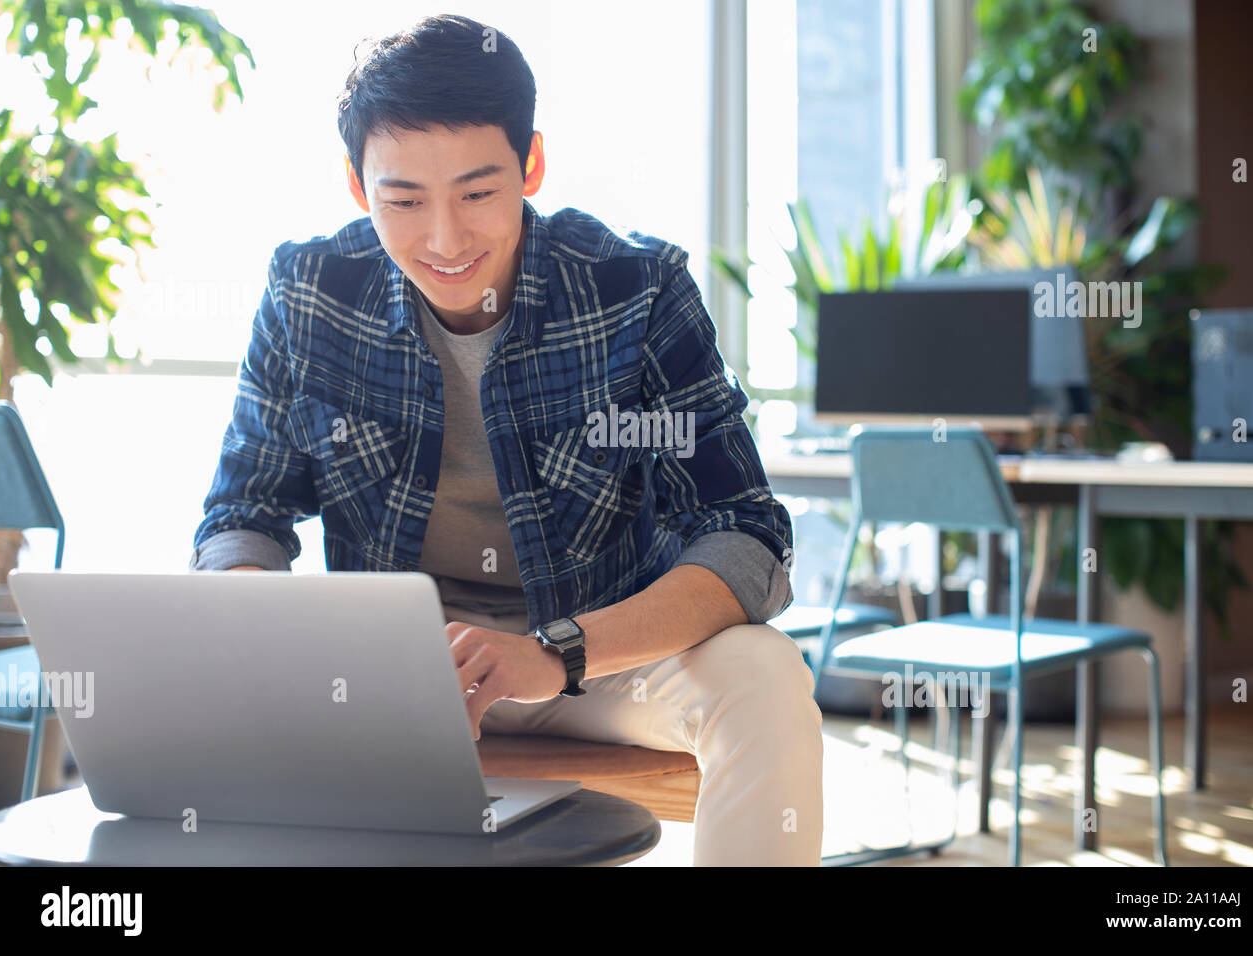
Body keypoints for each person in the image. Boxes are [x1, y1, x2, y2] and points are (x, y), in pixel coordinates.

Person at [189, 14, 822, 866]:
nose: (445, 240)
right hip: (396, 679)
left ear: (532, 165)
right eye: (404, 200)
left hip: (604, 658)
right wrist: (256, 614)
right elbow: (245, 510)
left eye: (479, 193)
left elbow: (745, 534)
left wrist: (553, 655)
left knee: (766, 675)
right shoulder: (308, 293)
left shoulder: (635, 289)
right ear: (354, 183)